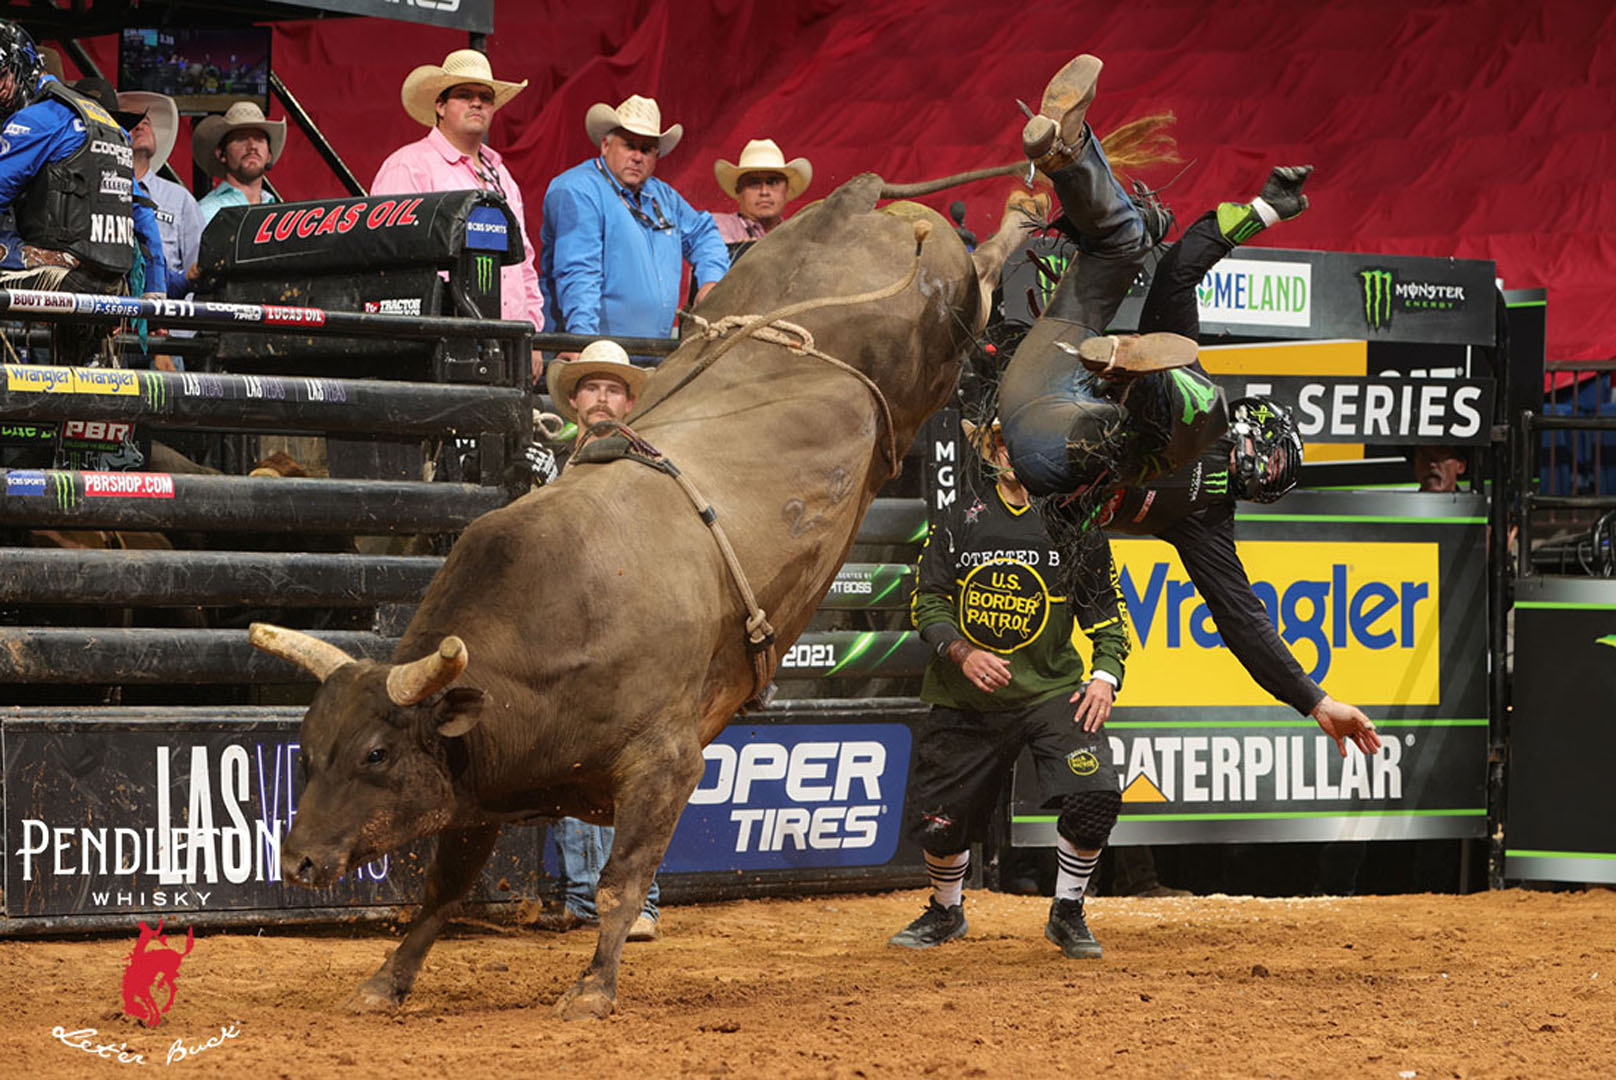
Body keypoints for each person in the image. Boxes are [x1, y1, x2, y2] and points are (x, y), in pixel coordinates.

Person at [890, 417, 1130, 958]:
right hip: (965, 694)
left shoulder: (1075, 523)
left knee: (1095, 797)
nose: (1009, 452)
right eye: (1001, 441)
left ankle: (1068, 911)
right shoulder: (959, 518)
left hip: (1052, 691)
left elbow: (1106, 615)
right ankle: (946, 910)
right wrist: (963, 652)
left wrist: (1104, 677)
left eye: (1021, 440)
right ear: (991, 451)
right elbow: (927, 600)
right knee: (940, 822)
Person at [997, 53, 1224, 509]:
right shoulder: (1180, 480)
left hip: (1063, 430)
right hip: (1031, 397)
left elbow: (1179, 275)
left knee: (1149, 427)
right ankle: (1062, 151)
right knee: (1119, 243)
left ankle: (1125, 370)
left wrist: (1264, 211)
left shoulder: (1196, 424)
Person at [530, 339, 662, 942]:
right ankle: (587, 895)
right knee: (574, 761)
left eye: (613, 389)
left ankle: (634, 900)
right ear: (576, 400)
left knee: (631, 763)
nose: (602, 399)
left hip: (629, 631)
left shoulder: (644, 462)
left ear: (629, 403)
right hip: (568, 632)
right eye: (592, 388)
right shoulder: (558, 462)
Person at [0, 24, 166, 369]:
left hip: (61, 274)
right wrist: (154, 291)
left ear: (22, 69)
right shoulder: (107, 123)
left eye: (1, 77)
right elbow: (142, 212)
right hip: (112, 284)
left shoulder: (37, 119)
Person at [372, 48, 545, 348]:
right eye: (465, 94)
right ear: (440, 106)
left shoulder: (502, 176)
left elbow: (524, 262)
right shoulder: (409, 166)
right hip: (441, 339)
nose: (477, 102)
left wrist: (532, 333)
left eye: (485, 97)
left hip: (509, 340)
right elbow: (391, 263)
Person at [538, 94, 728, 342]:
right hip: (596, 350)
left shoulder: (663, 196)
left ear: (656, 157)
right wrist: (582, 341)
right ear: (605, 146)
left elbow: (703, 233)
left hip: (652, 351)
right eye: (629, 145)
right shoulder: (578, 189)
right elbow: (579, 272)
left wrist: (712, 279)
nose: (637, 157)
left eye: (646, 150)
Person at [117, 87, 200, 301]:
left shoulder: (180, 199)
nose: (140, 125)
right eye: (130, 121)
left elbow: (197, 270)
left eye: (146, 122)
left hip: (167, 316)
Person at [194, 100, 283, 227]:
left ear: (269, 155)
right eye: (241, 139)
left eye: (259, 139)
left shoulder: (278, 212)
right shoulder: (206, 212)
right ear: (221, 154)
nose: (252, 146)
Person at [709, 138, 812, 246]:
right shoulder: (716, 226)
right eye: (754, 183)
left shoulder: (800, 234)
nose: (764, 191)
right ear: (738, 191)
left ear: (786, 190)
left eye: (773, 182)